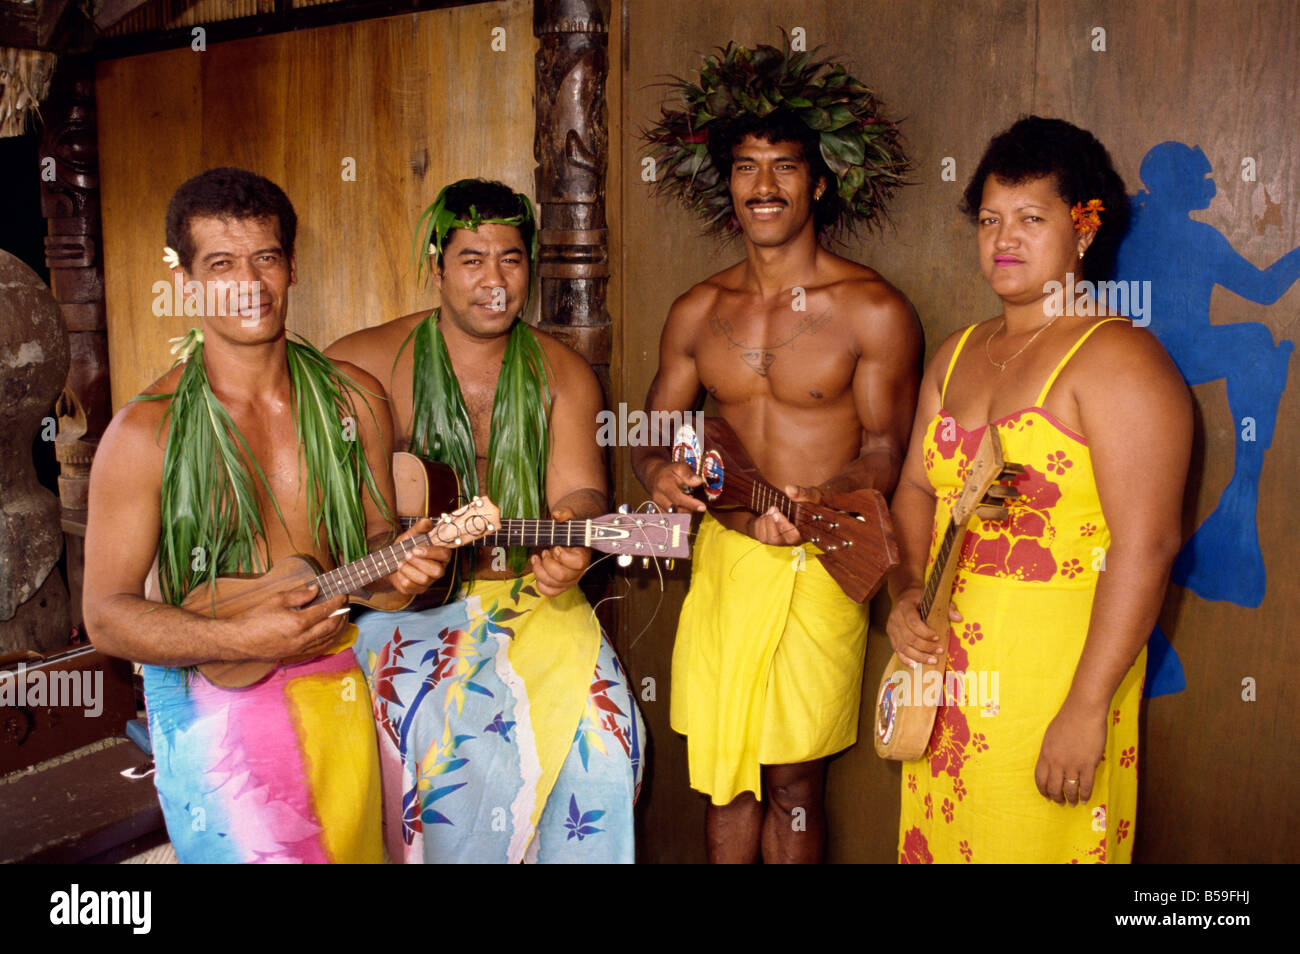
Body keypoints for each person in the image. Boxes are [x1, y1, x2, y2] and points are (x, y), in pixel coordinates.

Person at [83, 167, 446, 863]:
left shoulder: (356, 402)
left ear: (292, 268)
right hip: (212, 703)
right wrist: (243, 634)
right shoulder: (144, 435)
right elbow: (105, 615)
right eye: (221, 264)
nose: (248, 283)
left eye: (266, 259)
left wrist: (404, 562)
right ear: (187, 281)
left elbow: (373, 542)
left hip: (334, 676)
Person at [634, 41, 921, 863]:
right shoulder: (698, 310)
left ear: (818, 182)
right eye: (748, 168)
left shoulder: (872, 310)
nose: (764, 186)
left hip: (819, 557)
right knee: (724, 777)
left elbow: (886, 448)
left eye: (785, 168)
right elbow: (654, 430)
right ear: (727, 183)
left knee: (794, 780)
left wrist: (810, 506)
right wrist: (659, 474)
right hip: (725, 561)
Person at [886, 117, 1192, 864]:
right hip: (944, 681)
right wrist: (905, 594)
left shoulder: (1120, 358)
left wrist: (1086, 711)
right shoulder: (956, 354)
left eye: (1031, 218)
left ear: (1084, 229)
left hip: (1056, 677)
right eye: (989, 220)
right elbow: (915, 492)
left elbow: (1148, 543)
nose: (1003, 239)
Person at [326, 178, 643, 863]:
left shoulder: (563, 374)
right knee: (423, 744)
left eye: (510, 259)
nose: (493, 281)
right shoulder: (365, 363)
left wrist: (574, 536)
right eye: (472, 260)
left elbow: (585, 493)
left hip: (529, 596)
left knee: (605, 744)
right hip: (401, 606)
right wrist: (387, 558)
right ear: (436, 266)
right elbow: (323, 512)